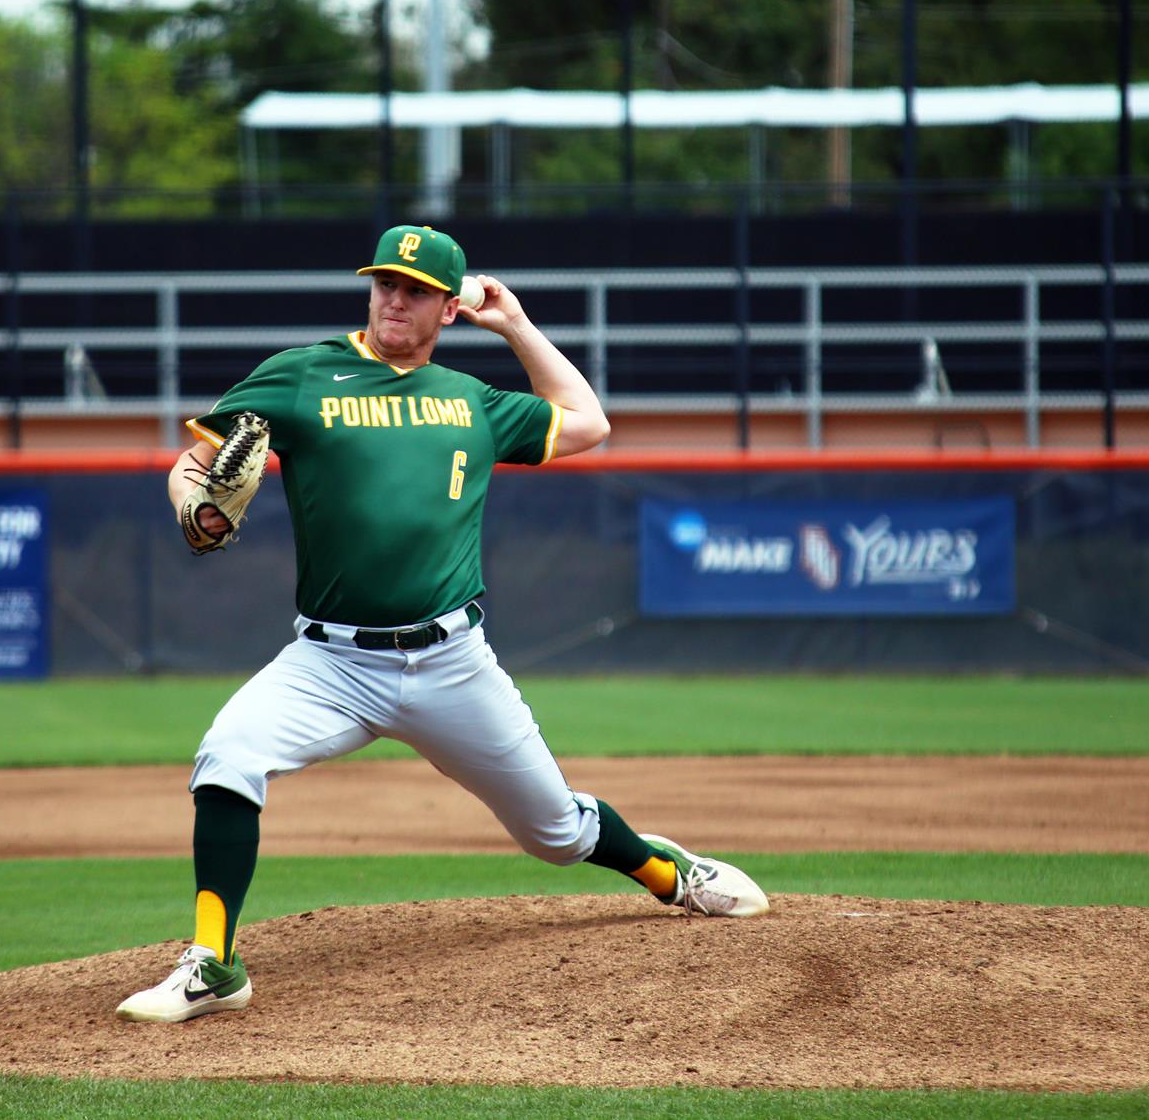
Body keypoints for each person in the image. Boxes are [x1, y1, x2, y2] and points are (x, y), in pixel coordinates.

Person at [115, 226, 767, 1024]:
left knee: (556, 832)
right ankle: (214, 963)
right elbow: (194, 464)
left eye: (417, 290)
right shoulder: (302, 374)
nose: (395, 298)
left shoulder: (471, 400)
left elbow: (588, 421)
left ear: (450, 309)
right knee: (228, 755)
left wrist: (516, 324)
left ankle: (670, 873)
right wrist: (197, 507)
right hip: (330, 662)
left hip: (452, 661)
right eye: (385, 282)